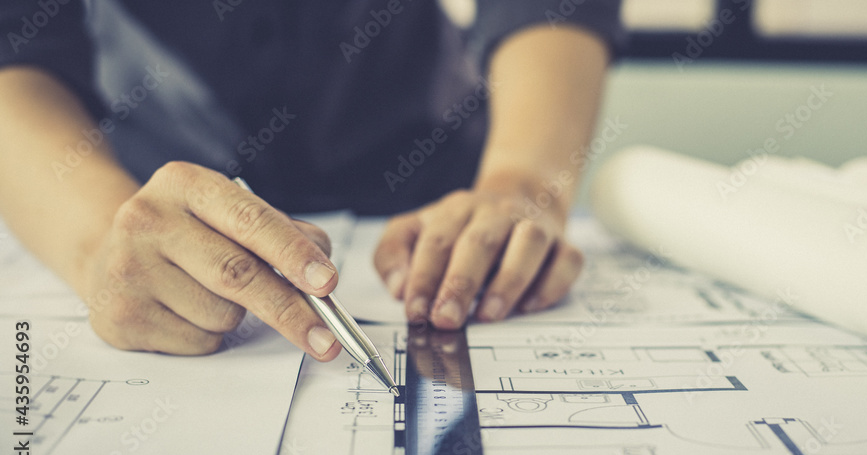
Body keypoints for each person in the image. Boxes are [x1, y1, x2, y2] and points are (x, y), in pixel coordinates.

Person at [0, 1, 624, 361]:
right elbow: (14, 51)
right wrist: (100, 244)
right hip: (152, 205)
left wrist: (519, 183)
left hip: (437, 185)